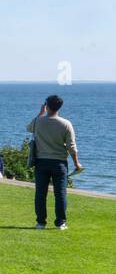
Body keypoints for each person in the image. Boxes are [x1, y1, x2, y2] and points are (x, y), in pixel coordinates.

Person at [27, 94, 82, 230]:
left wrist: (40, 113)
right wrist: (77, 163)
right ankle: (60, 223)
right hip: (59, 163)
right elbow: (71, 146)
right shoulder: (66, 124)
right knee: (60, 193)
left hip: (41, 162)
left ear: (46, 106)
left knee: (40, 194)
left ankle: (41, 222)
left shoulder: (38, 121)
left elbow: (28, 128)